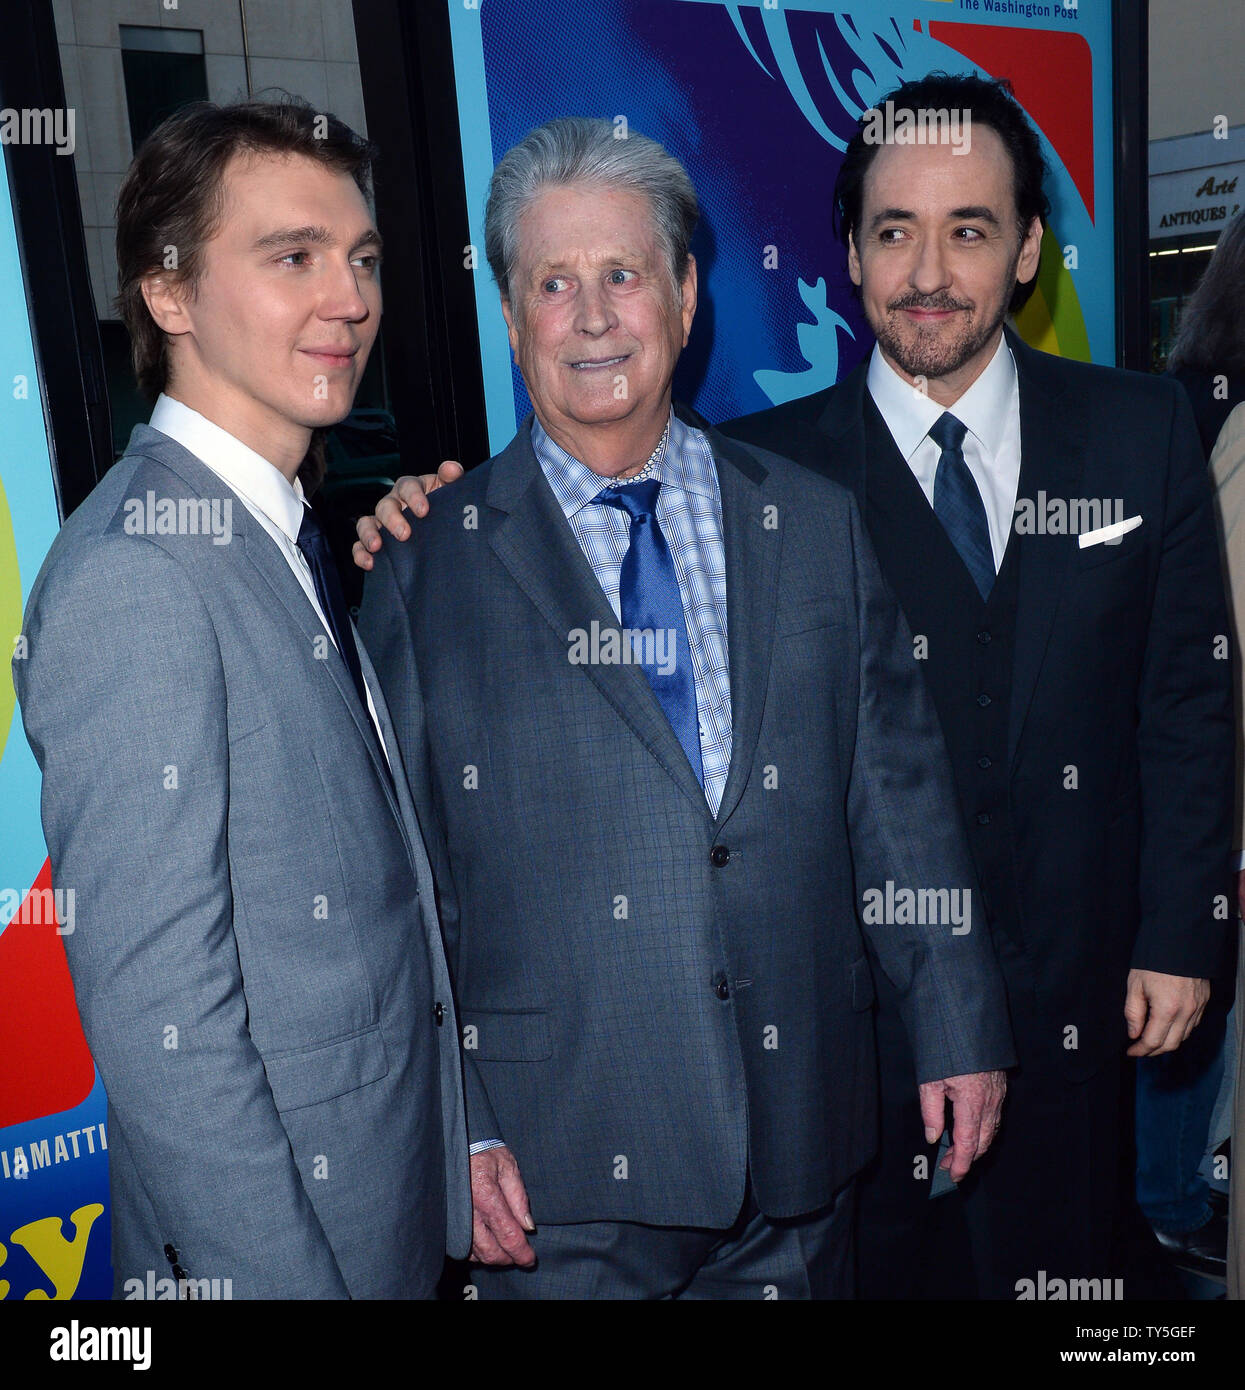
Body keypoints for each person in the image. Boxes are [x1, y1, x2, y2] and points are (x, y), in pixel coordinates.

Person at [353, 116, 1014, 1300]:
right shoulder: (422, 565)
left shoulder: (812, 523)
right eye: (553, 282)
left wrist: (958, 1021)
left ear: (688, 293)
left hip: (800, 1148)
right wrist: (460, 1118)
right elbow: (401, 886)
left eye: (623, 273)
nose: (592, 317)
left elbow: (897, 801)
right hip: (558, 1181)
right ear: (509, 314)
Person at [721, 73, 1236, 1299]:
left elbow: (1188, 701)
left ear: (1029, 251)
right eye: (895, 230)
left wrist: (1184, 929)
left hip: (1089, 997)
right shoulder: (759, 475)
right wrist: (420, 514)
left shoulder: (1142, 432)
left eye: (969, 229)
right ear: (851, 252)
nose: (929, 272)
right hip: (864, 1027)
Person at [12, 99, 470, 1299]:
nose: (350, 298)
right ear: (168, 294)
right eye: (293, 257)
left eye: (362, 256)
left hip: (382, 1210)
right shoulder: (138, 573)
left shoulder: (276, 527)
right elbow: (164, 1030)